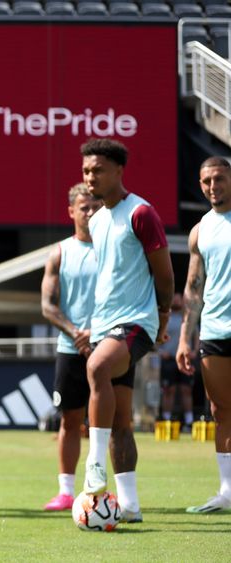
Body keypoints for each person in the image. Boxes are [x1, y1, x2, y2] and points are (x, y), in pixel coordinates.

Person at [81, 138, 173, 524]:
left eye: (98, 170)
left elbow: (164, 274)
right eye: (86, 170)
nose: (90, 177)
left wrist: (162, 318)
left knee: (97, 368)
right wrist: (93, 322)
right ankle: (130, 505)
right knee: (120, 420)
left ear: (119, 171)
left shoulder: (141, 213)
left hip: (137, 321)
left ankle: (95, 464)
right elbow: (109, 276)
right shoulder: (96, 219)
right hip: (105, 323)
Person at [39, 184, 103, 511]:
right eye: (84, 208)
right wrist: (76, 332)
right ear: (71, 211)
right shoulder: (60, 252)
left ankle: (105, 490)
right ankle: (66, 491)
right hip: (71, 348)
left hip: (109, 345)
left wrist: (99, 331)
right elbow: (48, 306)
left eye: (95, 206)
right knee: (70, 420)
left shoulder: (116, 249)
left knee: (110, 422)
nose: (89, 213)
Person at [177, 156, 231, 513]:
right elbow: (194, 287)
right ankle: (227, 493)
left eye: (220, 179)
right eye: (207, 180)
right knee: (219, 409)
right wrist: (185, 335)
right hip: (213, 329)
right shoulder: (200, 230)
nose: (213, 186)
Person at [159, 294, 195, 429]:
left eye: (179, 298)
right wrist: (161, 352)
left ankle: (189, 422)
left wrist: (195, 351)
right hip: (169, 360)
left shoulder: (186, 319)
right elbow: (157, 338)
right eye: (174, 298)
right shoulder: (165, 319)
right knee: (169, 390)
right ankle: (166, 421)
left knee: (186, 390)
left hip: (185, 359)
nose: (176, 300)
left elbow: (196, 336)